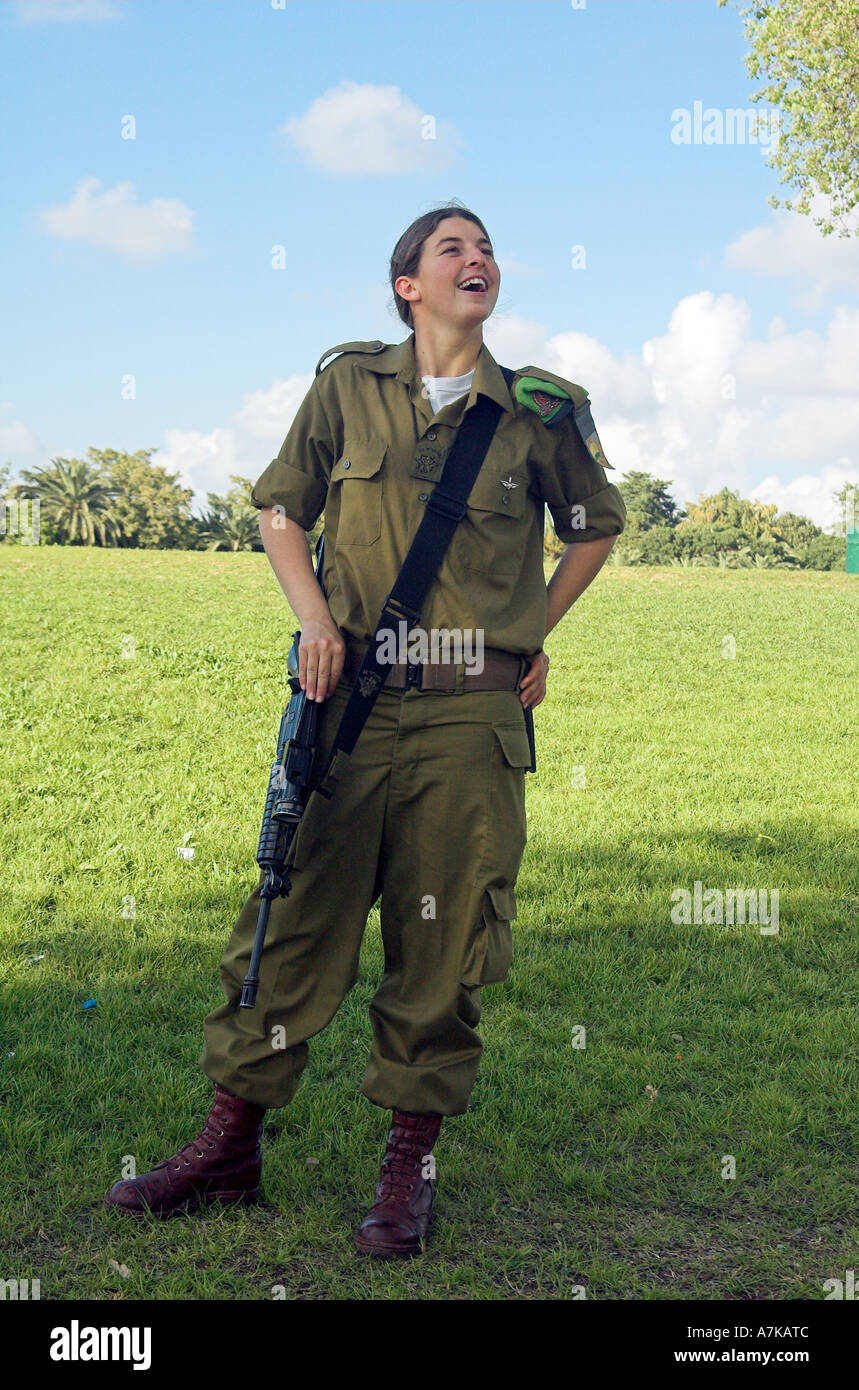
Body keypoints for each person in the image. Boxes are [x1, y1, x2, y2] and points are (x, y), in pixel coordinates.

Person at [104, 202, 626, 1258]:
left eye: (485, 248)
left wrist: (528, 634)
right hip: (349, 709)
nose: (476, 259)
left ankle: (407, 1174)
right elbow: (279, 508)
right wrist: (310, 619)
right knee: (289, 922)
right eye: (452, 248)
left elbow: (594, 526)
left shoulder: (540, 410)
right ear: (408, 285)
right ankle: (229, 1145)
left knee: (445, 947)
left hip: (471, 723)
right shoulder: (347, 386)